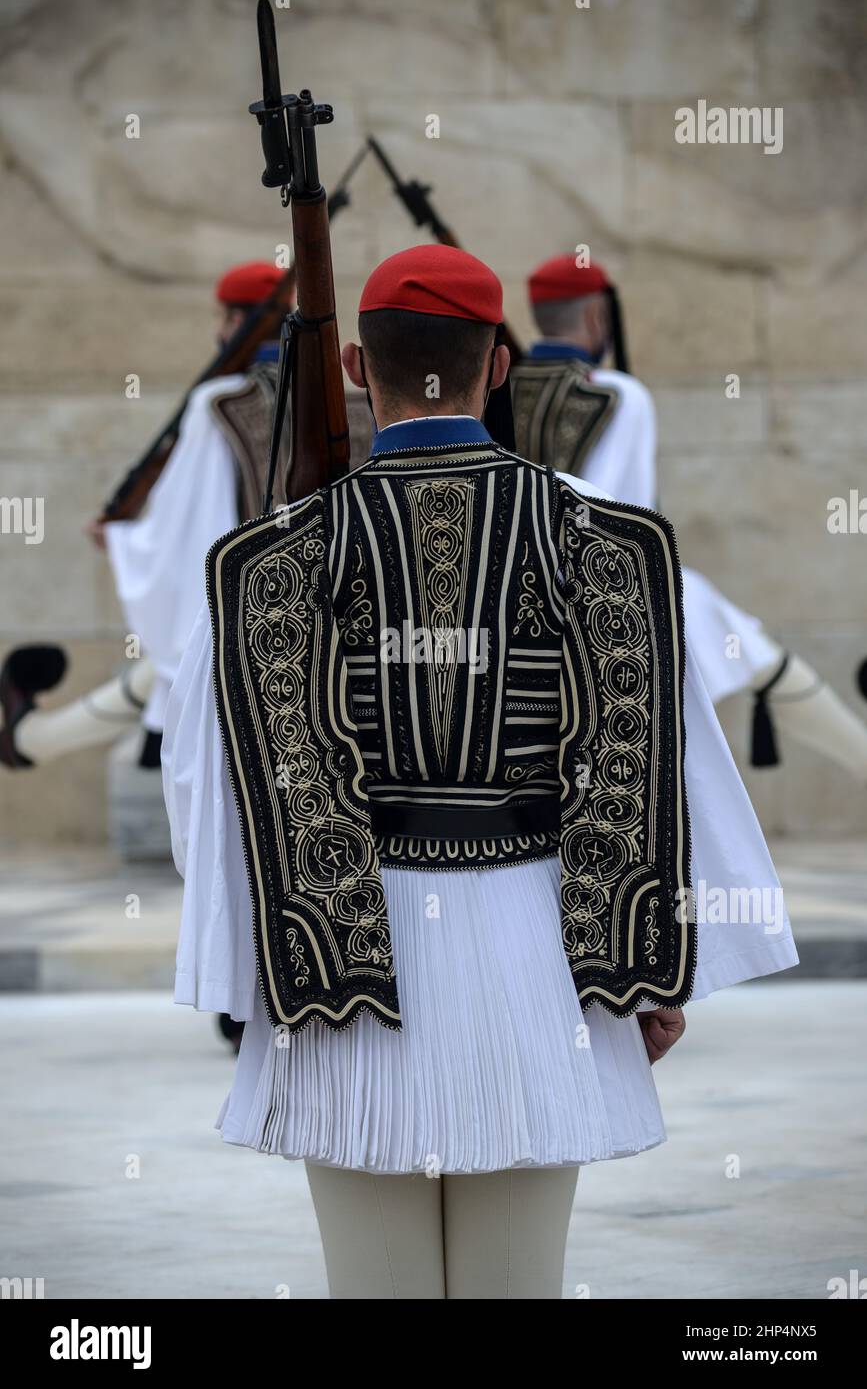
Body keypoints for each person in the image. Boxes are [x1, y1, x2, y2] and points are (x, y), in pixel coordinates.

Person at [162, 244, 797, 1301]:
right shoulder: (608, 541)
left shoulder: (267, 559)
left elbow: (212, 788)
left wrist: (253, 974)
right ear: (498, 366)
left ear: (360, 368)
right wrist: (649, 964)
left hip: (345, 972)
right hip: (539, 957)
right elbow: (651, 764)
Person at [0, 260, 372, 771]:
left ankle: (29, 742)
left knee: (181, 660)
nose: (217, 332)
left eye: (223, 318)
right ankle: (28, 741)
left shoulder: (217, 402)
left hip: (245, 616)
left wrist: (124, 541)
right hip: (334, 613)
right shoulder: (343, 397)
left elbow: (190, 531)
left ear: (240, 322)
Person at [511, 254, 867, 783]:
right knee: (749, 650)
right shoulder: (617, 394)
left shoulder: (500, 384)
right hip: (608, 594)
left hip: (520, 592)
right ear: (596, 318)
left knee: (743, 647)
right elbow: (624, 511)